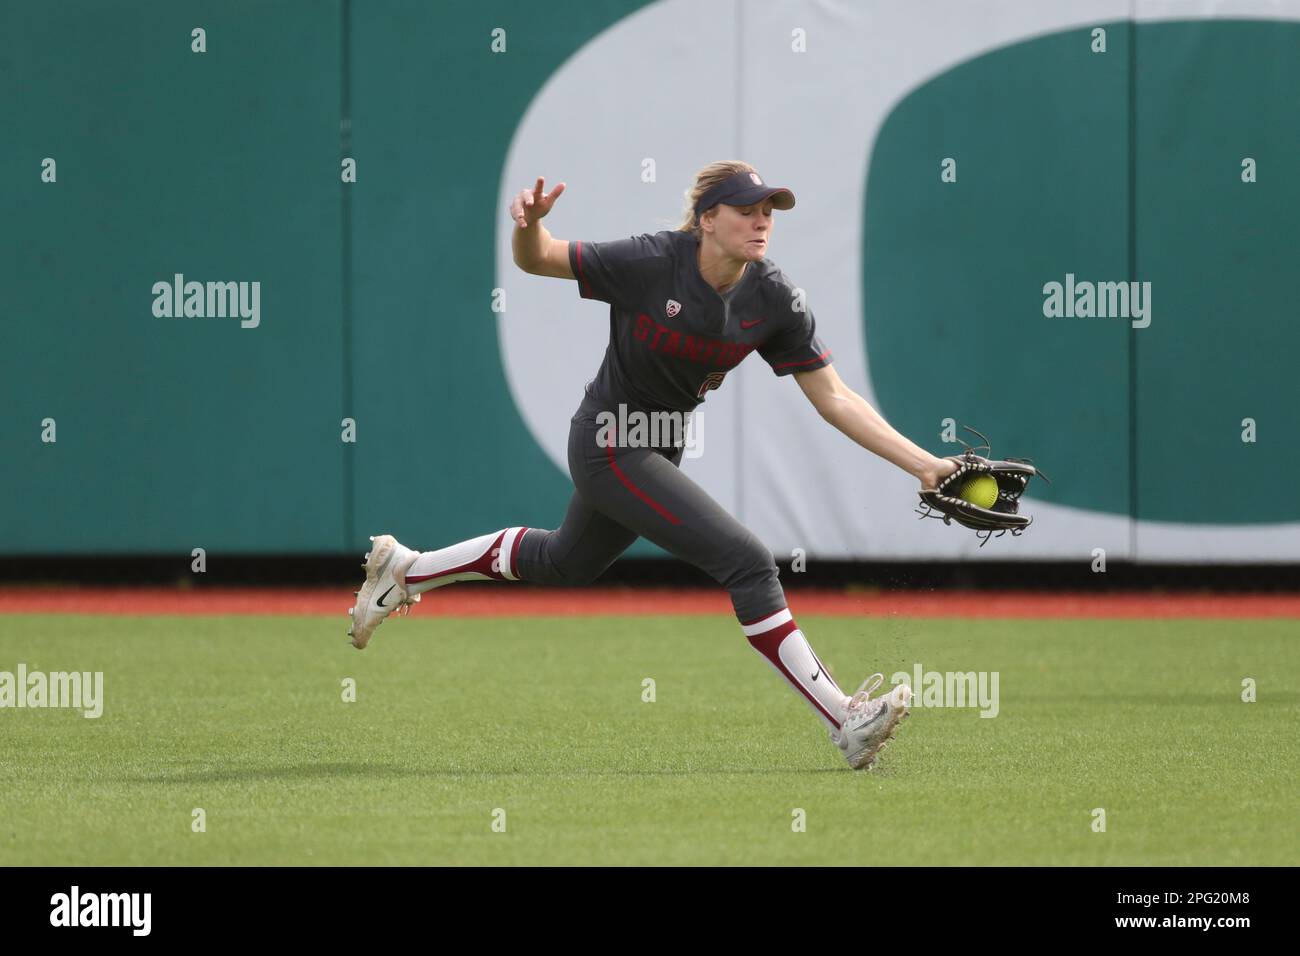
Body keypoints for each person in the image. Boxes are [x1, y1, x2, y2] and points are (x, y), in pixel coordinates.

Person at [346, 160, 959, 770]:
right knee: (747, 562)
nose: (761, 221)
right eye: (746, 210)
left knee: (566, 561)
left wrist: (925, 465)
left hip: (658, 445)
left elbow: (835, 396)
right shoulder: (650, 261)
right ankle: (843, 718)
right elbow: (539, 258)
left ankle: (407, 571)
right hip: (608, 441)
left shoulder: (772, 296)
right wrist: (528, 226)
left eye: (769, 210)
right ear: (707, 219)